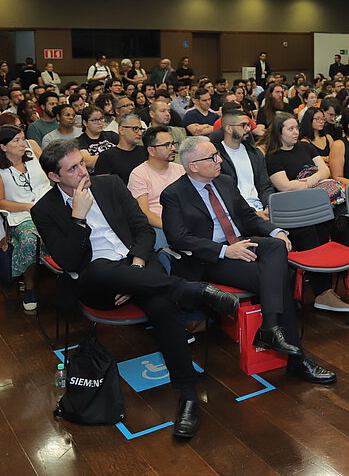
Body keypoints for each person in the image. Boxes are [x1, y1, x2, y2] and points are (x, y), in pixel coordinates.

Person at [33, 138, 239, 439]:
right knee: (100, 269)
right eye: (73, 168)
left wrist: (136, 268)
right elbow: (69, 262)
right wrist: (78, 218)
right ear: (54, 177)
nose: (82, 170)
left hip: (139, 267)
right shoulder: (45, 210)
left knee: (162, 307)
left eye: (81, 162)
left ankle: (188, 396)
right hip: (97, 283)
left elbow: (143, 229)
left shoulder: (110, 185)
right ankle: (195, 291)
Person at [161, 136, 336, 384]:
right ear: (194, 166)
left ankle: (271, 329)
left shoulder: (224, 181)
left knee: (276, 246)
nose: (219, 160)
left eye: (217, 155)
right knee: (278, 278)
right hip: (210, 258)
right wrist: (224, 251)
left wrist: (276, 230)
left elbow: (247, 216)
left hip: (241, 242)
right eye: (212, 157)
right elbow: (178, 239)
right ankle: (293, 355)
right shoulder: (174, 194)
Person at [263, 111, 349, 313]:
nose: (295, 132)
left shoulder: (305, 146)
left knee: (337, 222)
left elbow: (325, 171)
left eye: (296, 128)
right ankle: (322, 291)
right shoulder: (273, 157)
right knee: (311, 230)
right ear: (279, 132)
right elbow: (284, 186)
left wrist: (305, 183)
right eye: (290, 129)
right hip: (292, 211)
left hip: (315, 204)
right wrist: (313, 181)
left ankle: (325, 288)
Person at [0, 125, 50, 312]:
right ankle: (30, 287)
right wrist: (28, 207)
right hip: (19, 214)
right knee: (30, 240)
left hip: (47, 208)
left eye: (23, 139)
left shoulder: (33, 157)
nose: (23, 144)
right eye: (17, 141)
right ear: (3, 146)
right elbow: (0, 202)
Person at [128, 126, 186, 248]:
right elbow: (144, 212)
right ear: (151, 150)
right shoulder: (139, 174)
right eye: (167, 145)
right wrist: (171, 227)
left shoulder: (180, 169)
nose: (173, 148)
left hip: (185, 223)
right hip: (158, 226)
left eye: (173, 144)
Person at [213, 110, 275, 217]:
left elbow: (265, 185)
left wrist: (268, 207)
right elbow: (225, 194)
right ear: (228, 128)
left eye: (249, 125)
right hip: (236, 213)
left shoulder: (255, 154)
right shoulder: (217, 157)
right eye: (243, 125)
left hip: (261, 209)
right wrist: (253, 212)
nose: (248, 129)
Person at [94, 113, 148, 183]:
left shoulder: (145, 151)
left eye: (141, 129)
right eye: (135, 129)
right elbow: (102, 185)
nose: (140, 133)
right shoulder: (107, 157)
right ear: (121, 130)